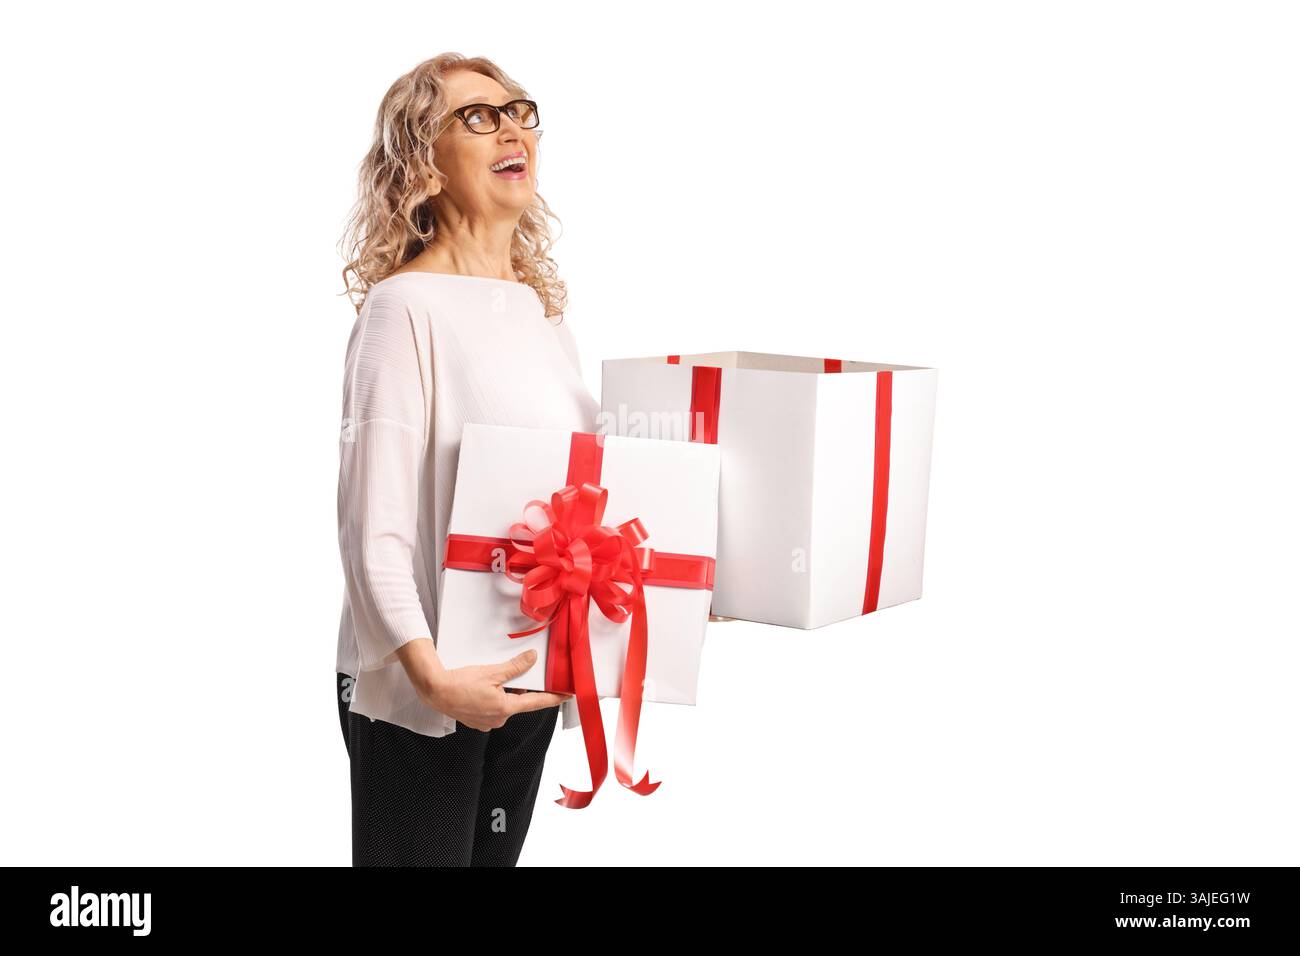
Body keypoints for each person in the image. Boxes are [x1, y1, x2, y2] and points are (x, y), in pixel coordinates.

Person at [333, 53, 590, 866]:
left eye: (518, 110)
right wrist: (431, 677)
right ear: (423, 161)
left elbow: (576, 506)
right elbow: (371, 530)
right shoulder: (403, 308)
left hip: (522, 673)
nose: (511, 129)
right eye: (477, 116)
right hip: (423, 685)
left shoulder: (540, 315)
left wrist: (675, 587)